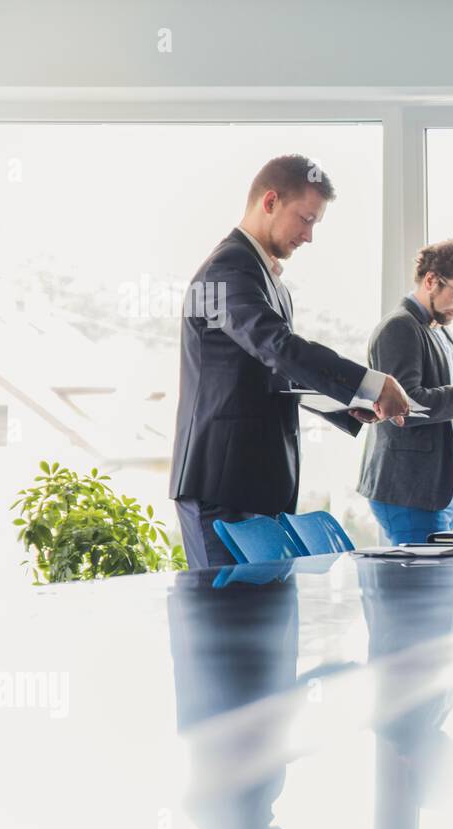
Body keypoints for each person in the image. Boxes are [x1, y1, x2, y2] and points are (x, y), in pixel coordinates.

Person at [170, 154, 410, 568]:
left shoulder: (267, 279)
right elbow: (278, 347)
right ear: (270, 202)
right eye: (306, 219)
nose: (309, 235)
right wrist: (372, 384)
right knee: (224, 625)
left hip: (255, 485)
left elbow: (273, 371)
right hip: (221, 487)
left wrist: (346, 404)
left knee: (262, 627)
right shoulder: (227, 269)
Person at [357, 240, 453, 544]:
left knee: (434, 588)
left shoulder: (439, 330)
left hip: (434, 491)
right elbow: (407, 407)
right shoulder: (399, 328)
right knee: (419, 590)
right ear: (431, 281)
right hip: (411, 493)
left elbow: (451, 421)